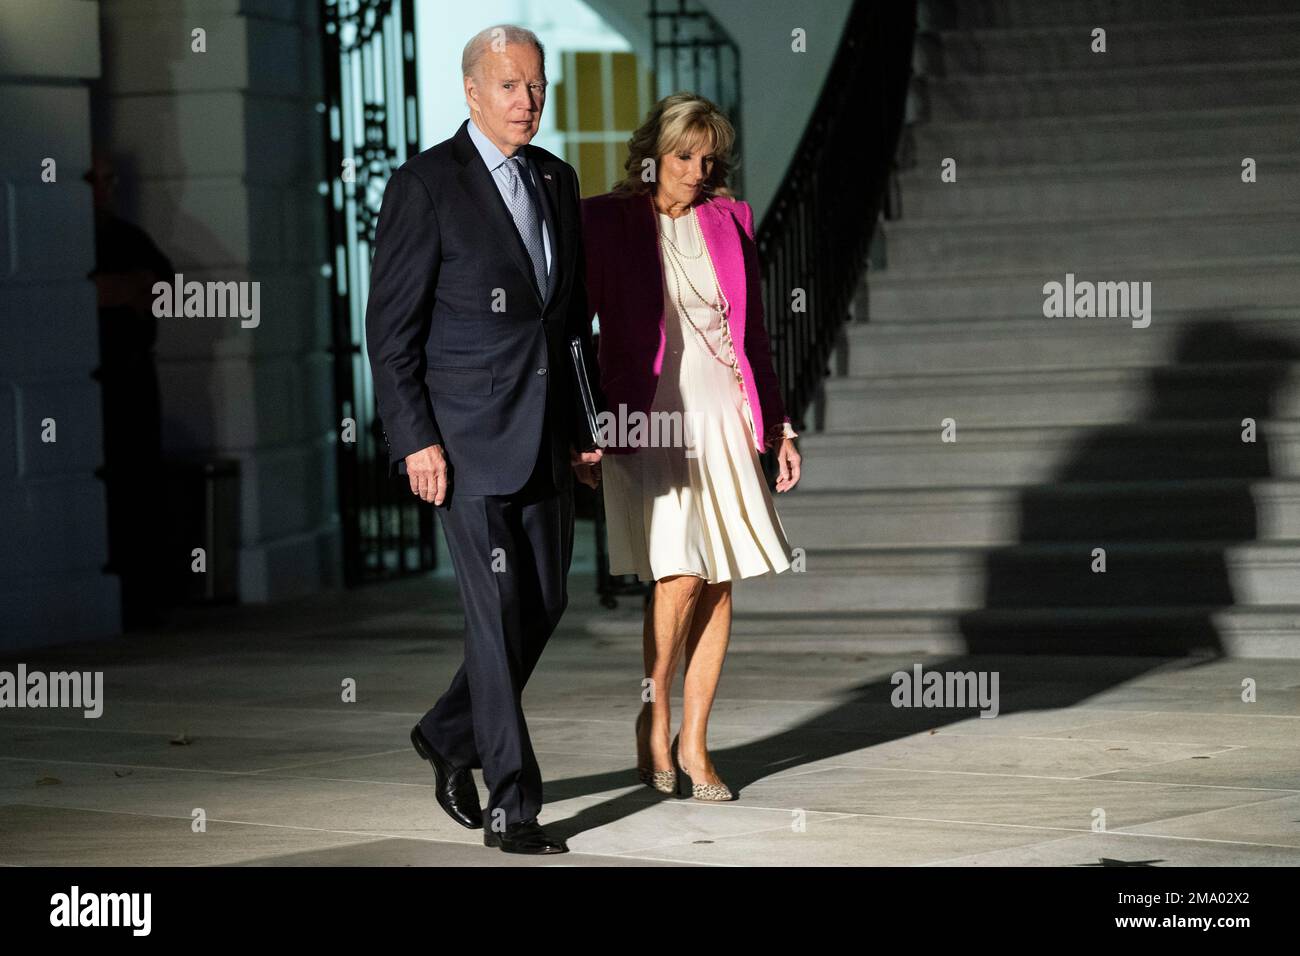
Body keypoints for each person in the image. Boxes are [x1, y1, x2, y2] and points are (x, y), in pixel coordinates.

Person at [364, 24, 602, 855]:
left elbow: (570, 324)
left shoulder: (557, 181)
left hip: (544, 436)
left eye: (537, 86)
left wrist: (585, 427)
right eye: (508, 86)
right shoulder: (425, 185)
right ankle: (513, 804)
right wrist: (414, 440)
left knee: (546, 599)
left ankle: (446, 732)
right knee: (496, 619)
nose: (527, 101)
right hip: (462, 447)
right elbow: (389, 332)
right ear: (470, 91)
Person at [581, 93, 803, 801]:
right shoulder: (606, 220)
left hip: (722, 413)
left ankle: (696, 742)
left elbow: (754, 338)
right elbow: (571, 333)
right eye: (683, 157)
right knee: (678, 573)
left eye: (707, 159)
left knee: (718, 579)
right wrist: (580, 431)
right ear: (653, 152)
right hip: (649, 415)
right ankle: (656, 714)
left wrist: (778, 427)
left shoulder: (729, 219)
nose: (697, 171)